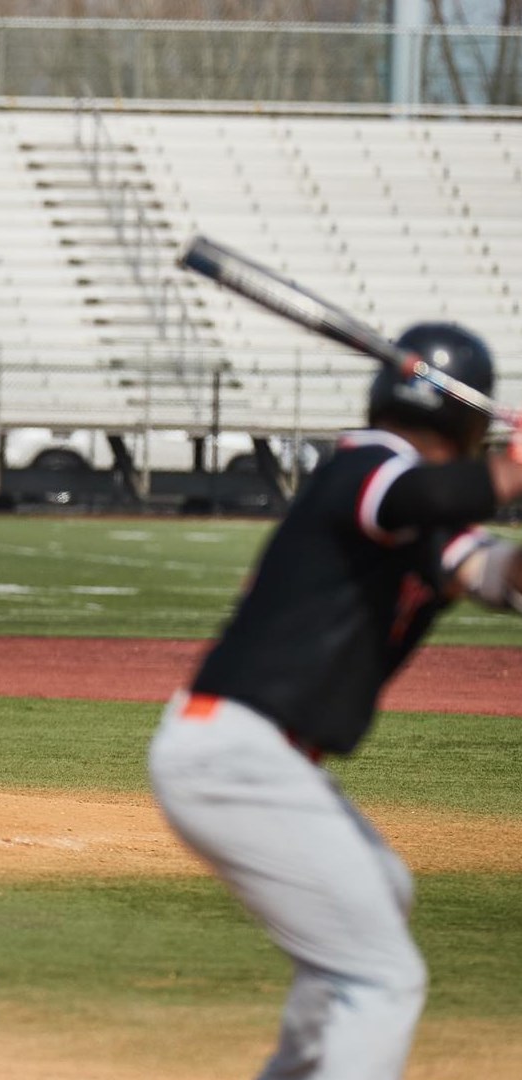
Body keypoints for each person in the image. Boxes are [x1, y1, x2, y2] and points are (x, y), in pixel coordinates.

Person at [147, 323, 522, 1080]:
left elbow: (491, 575)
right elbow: (411, 494)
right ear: (470, 424)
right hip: (233, 752)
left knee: (382, 892)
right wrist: (513, 472)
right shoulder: (369, 465)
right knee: (380, 980)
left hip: (257, 759)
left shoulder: (419, 516)